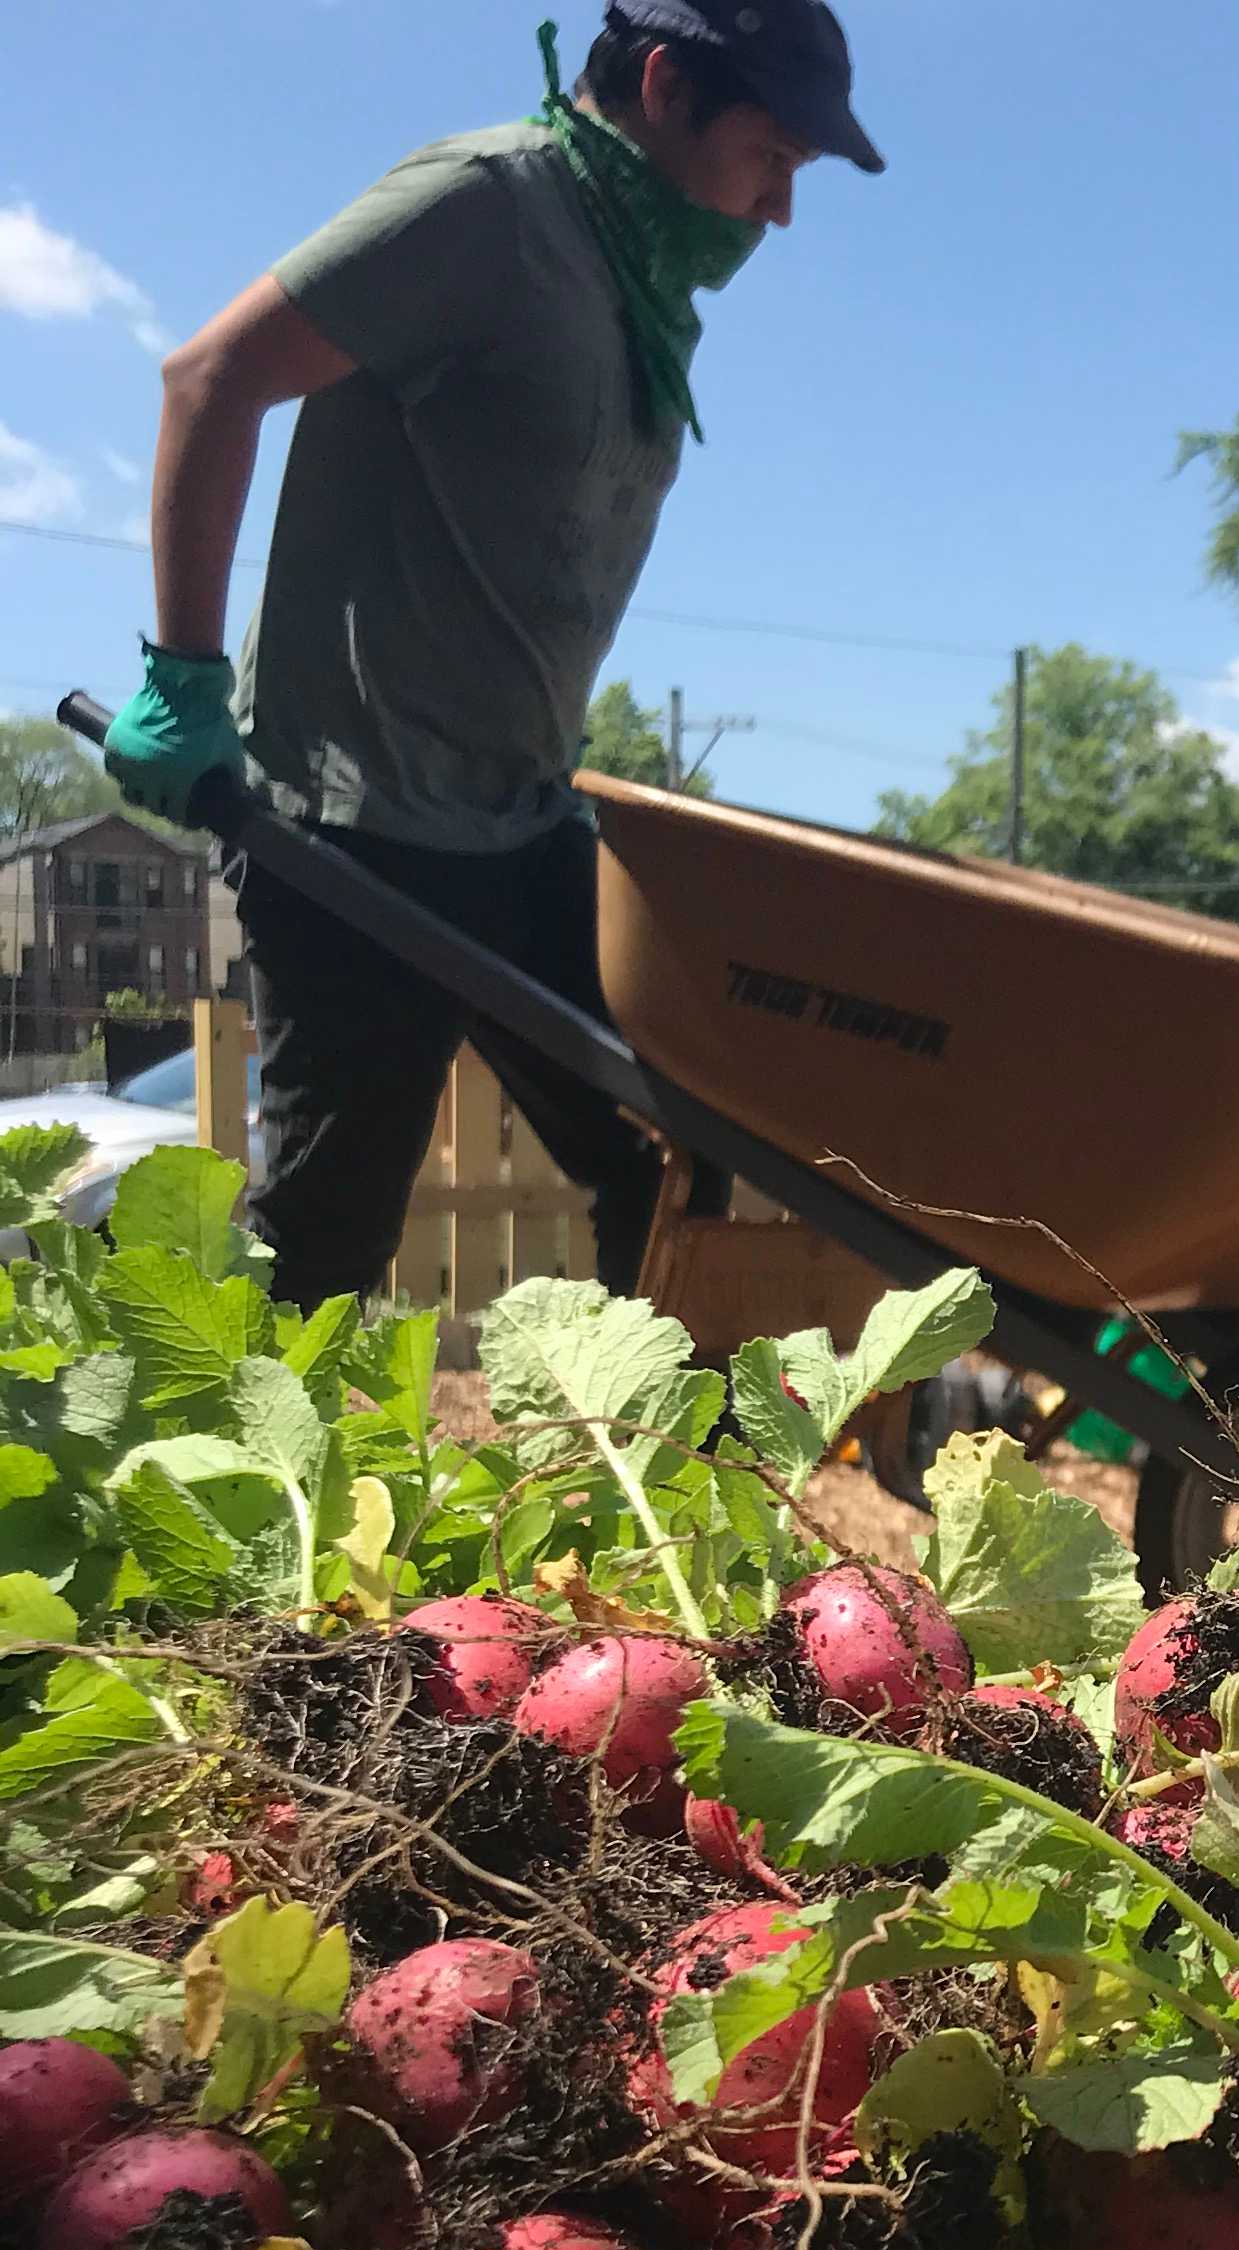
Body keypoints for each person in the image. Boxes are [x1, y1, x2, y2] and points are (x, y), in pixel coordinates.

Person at [100, 6, 882, 1313]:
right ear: (664, 82)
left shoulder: (627, 280)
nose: (779, 210)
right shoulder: (488, 208)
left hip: (521, 827)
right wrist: (183, 675)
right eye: (773, 157)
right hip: (355, 830)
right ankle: (230, 1504)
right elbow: (210, 377)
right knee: (323, 1258)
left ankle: (661, 1485)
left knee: (684, 1145)